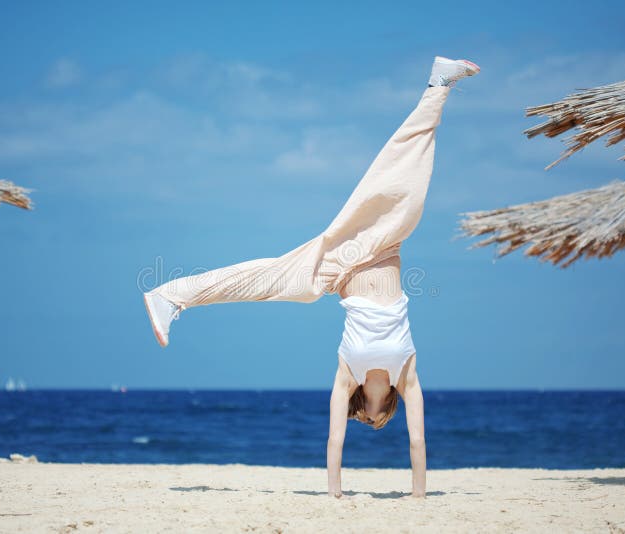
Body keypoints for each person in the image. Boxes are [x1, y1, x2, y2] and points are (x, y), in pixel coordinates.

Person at [143, 56, 480, 499]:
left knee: (263, 280)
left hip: (339, 265)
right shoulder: (406, 375)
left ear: (364, 410)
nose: (371, 424)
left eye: (365, 421)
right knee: (407, 187)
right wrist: (418, 497)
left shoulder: (348, 376)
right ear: (385, 412)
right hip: (382, 244)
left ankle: (172, 295)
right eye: (375, 423)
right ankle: (438, 86)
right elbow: (418, 440)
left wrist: (335, 495)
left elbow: (334, 441)